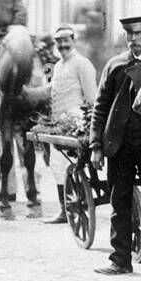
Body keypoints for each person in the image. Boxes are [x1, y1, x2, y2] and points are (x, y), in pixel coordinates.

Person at [90, 16, 141, 276]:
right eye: (129, 34)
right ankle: (120, 259)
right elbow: (100, 106)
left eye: (138, 33)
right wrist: (96, 144)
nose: (133, 39)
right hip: (120, 145)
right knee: (119, 201)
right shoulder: (115, 66)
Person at [44, 25, 98, 224]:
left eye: (66, 41)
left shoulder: (82, 64)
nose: (63, 45)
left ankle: (70, 208)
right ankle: (64, 209)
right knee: (57, 165)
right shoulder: (57, 66)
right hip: (60, 124)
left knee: (66, 165)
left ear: (73, 40)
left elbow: (92, 98)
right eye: (59, 42)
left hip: (76, 121)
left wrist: (87, 124)